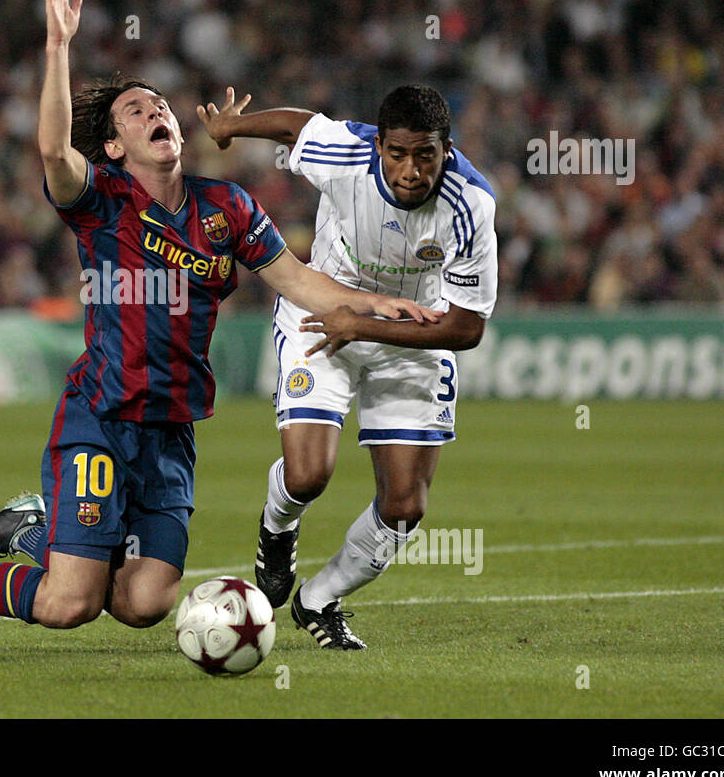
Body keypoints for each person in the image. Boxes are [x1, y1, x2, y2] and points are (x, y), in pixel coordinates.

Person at [0, 0, 436, 654]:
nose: (157, 115)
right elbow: (54, 147)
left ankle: (35, 530)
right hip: (101, 417)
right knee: (69, 604)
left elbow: (298, 282)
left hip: (171, 431)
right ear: (115, 146)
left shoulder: (226, 208)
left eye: (161, 108)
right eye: (136, 112)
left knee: (144, 604)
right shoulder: (102, 201)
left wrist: (373, 301)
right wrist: (57, 47)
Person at [195, 84, 497, 649]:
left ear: (447, 149)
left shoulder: (472, 205)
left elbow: (466, 328)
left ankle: (320, 599)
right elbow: (295, 125)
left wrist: (364, 325)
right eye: (399, 153)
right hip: (321, 313)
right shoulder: (345, 153)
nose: (412, 170)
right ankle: (277, 529)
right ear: (379, 145)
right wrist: (230, 128)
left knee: (405, 507)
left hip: (412, 337)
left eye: (426, 155)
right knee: (309, 475)